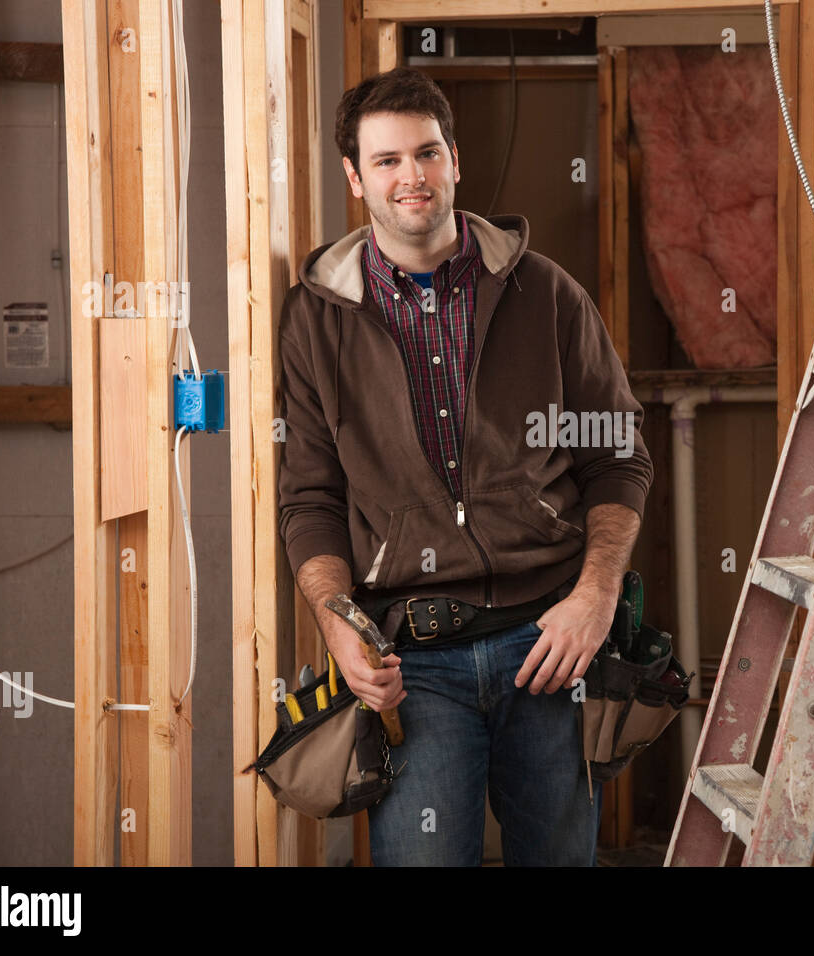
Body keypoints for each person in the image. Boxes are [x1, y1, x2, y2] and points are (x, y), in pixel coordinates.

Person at [276, 67, 653, 866]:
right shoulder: (313, 320)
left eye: (426, 153)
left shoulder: (546, 293)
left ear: (455, 160)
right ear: (355, 177)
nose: (410, 176)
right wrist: (337, 626)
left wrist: (595, 597)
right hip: (413, 664)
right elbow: (310, 498)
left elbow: (618, 455)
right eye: (386, 160)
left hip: (549, 643)